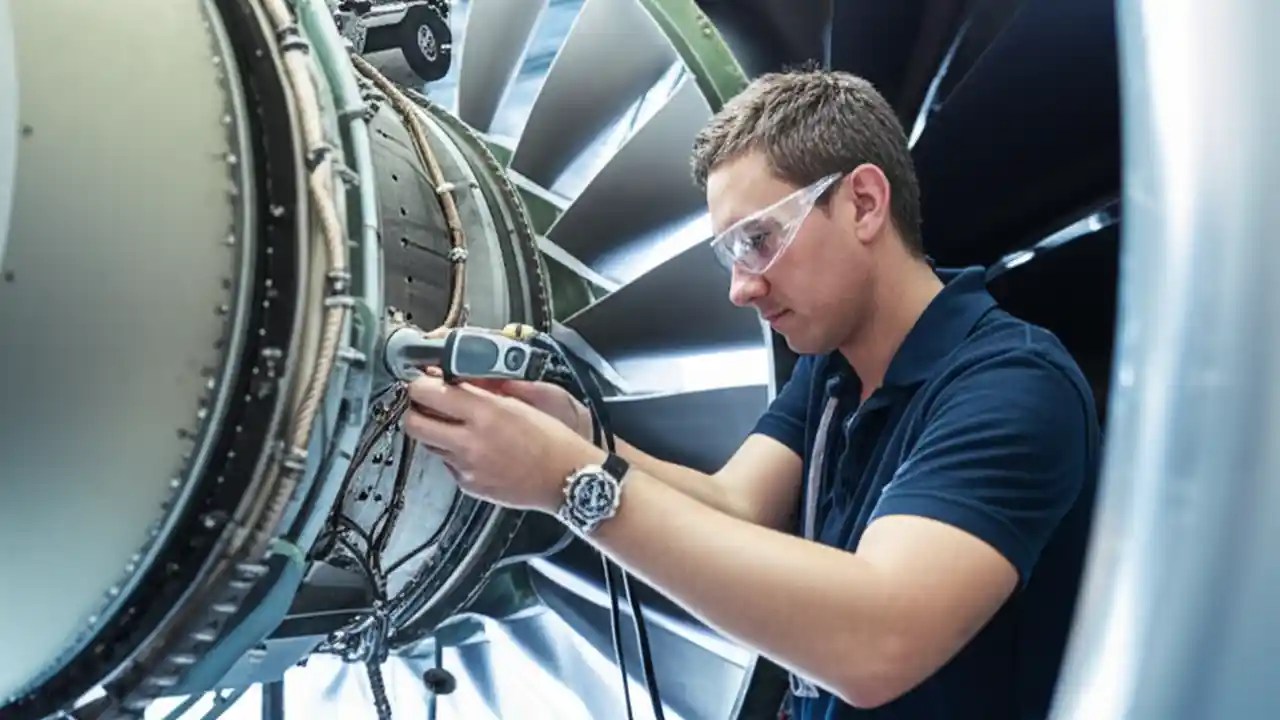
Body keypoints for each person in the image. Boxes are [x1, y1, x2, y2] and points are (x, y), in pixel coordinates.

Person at [401, 67, 1101, 720]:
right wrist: (581, 434)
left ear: (863, 203)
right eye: (730, 255)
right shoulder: (831, 371)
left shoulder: (1014, 389)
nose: (742, 288)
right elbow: (736, 506)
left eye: (759, 240)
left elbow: (878, 640)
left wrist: (565, 481)